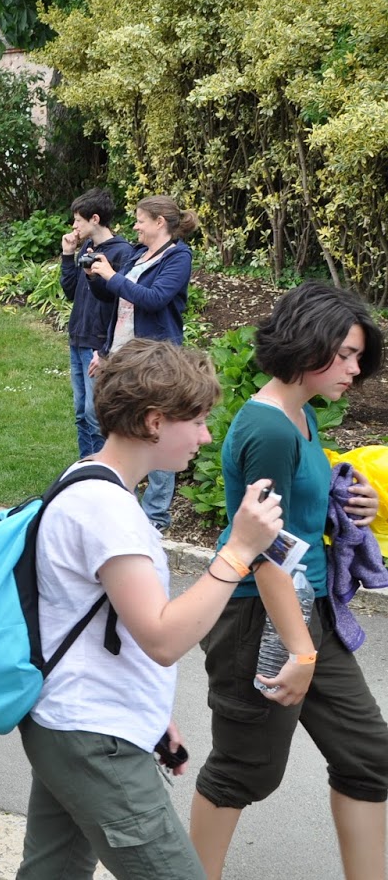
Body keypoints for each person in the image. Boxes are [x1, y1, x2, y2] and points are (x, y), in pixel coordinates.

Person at [15, 338, 283, 880]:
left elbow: (95, 623)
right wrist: (238, 551)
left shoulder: (85, 480)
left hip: (72, 722)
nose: (207, 437)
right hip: (93, 737)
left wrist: (151, 714)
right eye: (200, 421)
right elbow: (161, 639)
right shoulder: (107, 509)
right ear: (156, 421)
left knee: (52, 872)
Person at [190, 283, 388, 880]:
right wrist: (299, 650)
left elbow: (297, 513)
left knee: (368, 757)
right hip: (261, 620)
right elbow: (267, 552)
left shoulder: (298, 416)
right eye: (346, 355)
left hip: (307, 614)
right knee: (242, 770)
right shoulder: (270, 428)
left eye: (359, 357)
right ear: (309, 345)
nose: (356, 370)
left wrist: (347, 497)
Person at [85, 195, 197, 529]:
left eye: (140, 220)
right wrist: (96, 275)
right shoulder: (137, 254)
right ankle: (122, 501)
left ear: (159, 222)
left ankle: (155, 517)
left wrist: (113, 275)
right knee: (98, 416)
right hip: (120, 353)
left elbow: (154, 298)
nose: (135, 226)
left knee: (158, 430)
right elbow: (114, 296)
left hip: (154, 359)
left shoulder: (178, 257)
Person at [58, 190, 131, 458]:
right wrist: (68, 255)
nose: (74, 226)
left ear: (95, 219)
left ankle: (103, 470)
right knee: (80, 412)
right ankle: (85, 466)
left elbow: (120, 302)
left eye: (78, 220)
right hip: (78, 338)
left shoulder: (122, 253)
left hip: (97, 342)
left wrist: (105, 349)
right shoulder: (88, 250)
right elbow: (70, 291)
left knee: (94, 413)